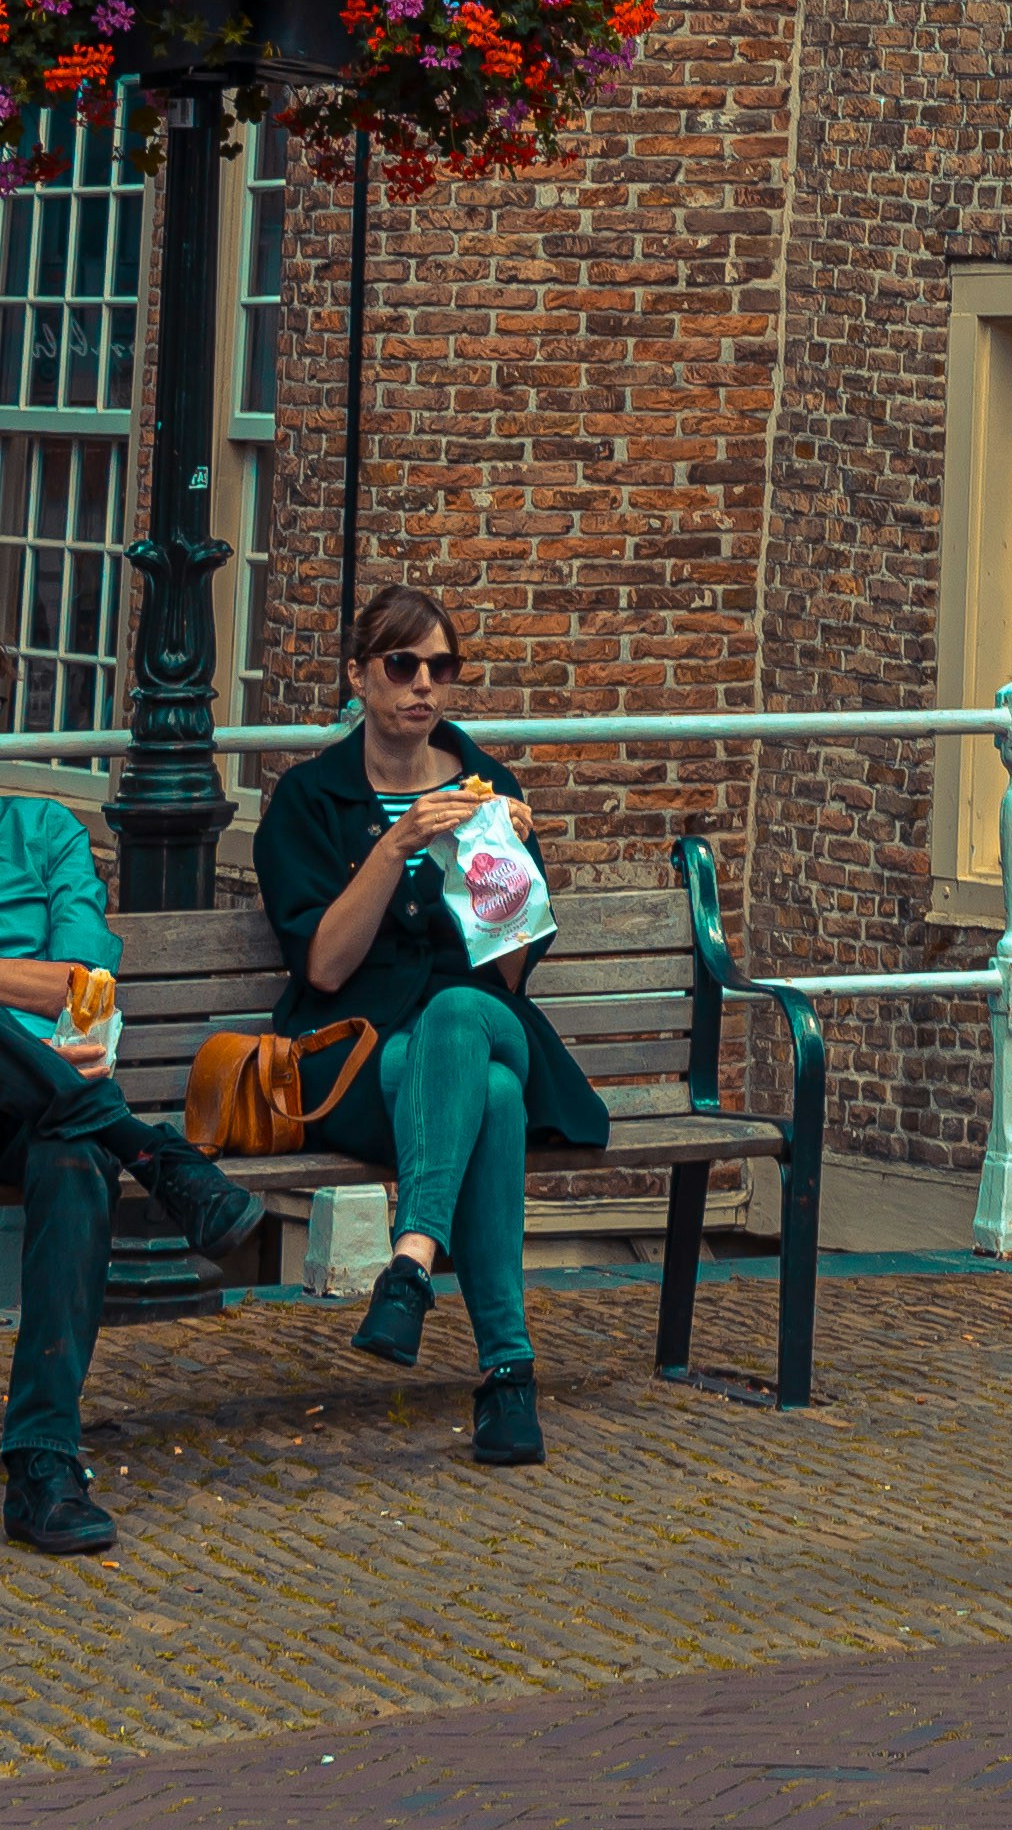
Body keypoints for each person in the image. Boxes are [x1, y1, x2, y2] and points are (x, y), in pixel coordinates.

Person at [253, 582, 614, 1469]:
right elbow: (326, 967)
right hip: (359, 1061)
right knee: (489, 1096)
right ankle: (506, 1376)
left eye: (440, 667)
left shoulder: (489, 790)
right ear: (360, 677)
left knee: (466, 1014)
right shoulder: (309, 802)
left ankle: (409, 1266)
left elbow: (508, 977)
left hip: (483, 1020)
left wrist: (507, 866)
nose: (423, 685)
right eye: (402, 664)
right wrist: (396, 844)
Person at [0, 783, 268, 1556]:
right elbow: (49, 982)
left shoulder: (43, 830)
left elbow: (80, 981)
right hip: (73, 1087)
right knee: (85, 1122)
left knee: (77, 1161)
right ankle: (153, 1153)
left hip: (41, 1105)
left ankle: (42, 1460)